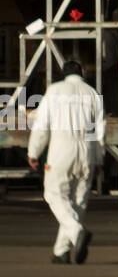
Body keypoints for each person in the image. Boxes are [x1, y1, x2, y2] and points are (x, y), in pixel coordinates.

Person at [26, 59, 104, 264]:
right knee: (78, 201)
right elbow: (98, 131)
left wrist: (33, 152)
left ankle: (77, 233)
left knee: (53, 194)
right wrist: (98, 159)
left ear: (63, 74)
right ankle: (61, 251)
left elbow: (42, 126)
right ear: (82, 74)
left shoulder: (55, 90)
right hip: (86, 149)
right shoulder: (92, 93)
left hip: (61, 149)